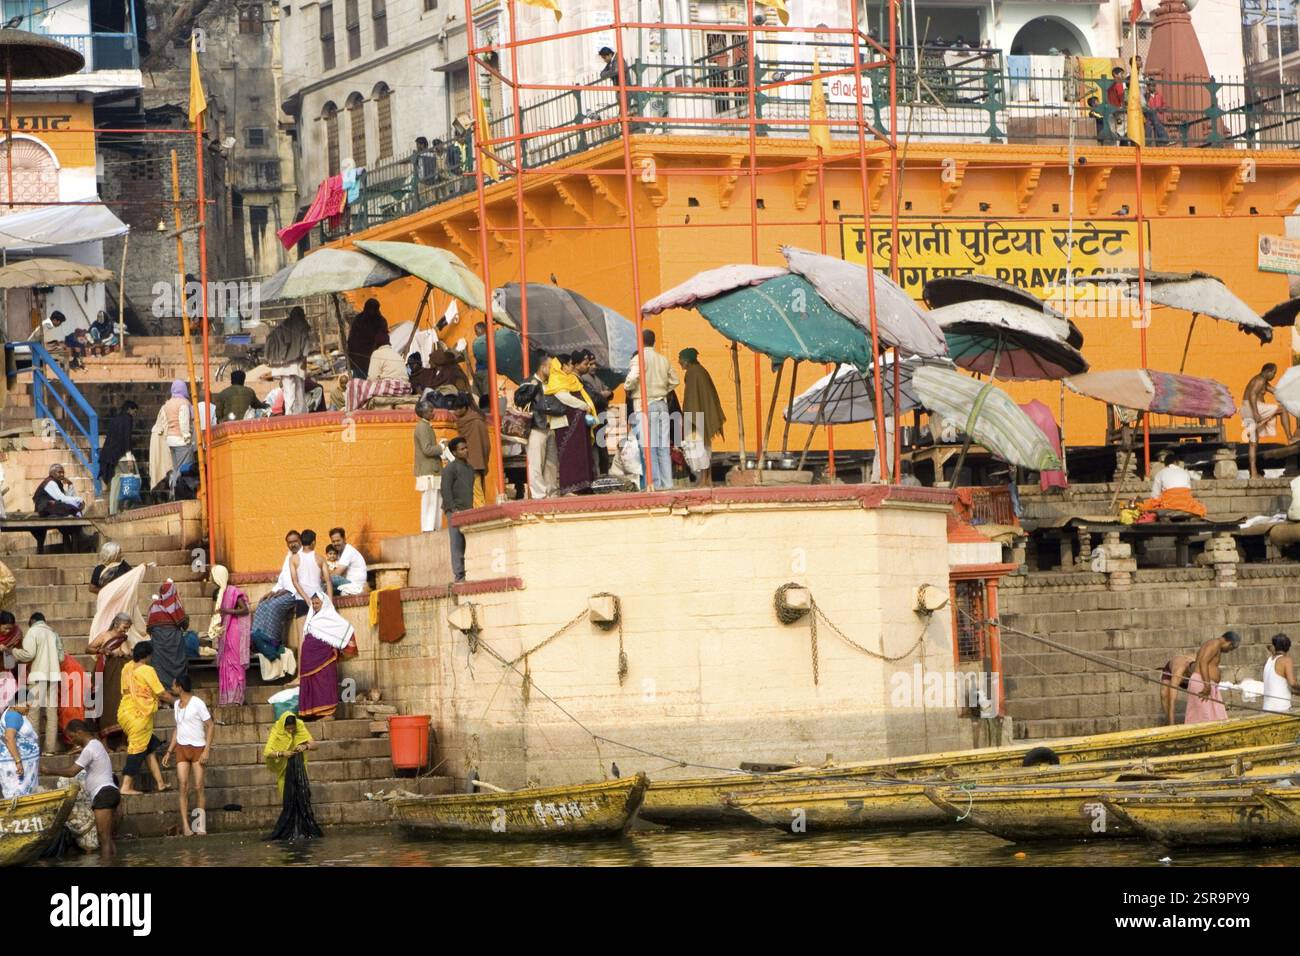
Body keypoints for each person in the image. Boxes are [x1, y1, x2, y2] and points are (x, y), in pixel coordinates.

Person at [43, 719, 120, 858]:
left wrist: (48, 770)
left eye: (72, 736)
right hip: (109, 792)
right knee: (107, 839)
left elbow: (72, 772)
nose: (72, 741)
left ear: (80, 732)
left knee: (104, 840)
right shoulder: (95, 744)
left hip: (104, 794)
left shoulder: (90, 748)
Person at [624, 330, 679, 491]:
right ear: (654, 342)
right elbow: (675, 380)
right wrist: (663, 389)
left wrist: (628, 387)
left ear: (640, 342)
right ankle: (667, 483)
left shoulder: (638, 359)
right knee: (662, 445)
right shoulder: (663, 359)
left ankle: (654, 484)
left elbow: (633, 378)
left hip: (644, 404)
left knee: (649, 446)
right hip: (662, 404)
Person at [117, 640, 173, 794]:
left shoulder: (126, 668)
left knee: (150, 746)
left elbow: (124, 690)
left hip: (124, 712)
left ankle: (160, 783)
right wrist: (177, 701)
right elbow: (161, 693)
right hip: (138, 716)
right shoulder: (147, 670)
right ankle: (126, 786)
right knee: (137, 750)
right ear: (147, 656)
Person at [161, 674, 213, 836]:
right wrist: (169, 751)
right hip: (181, 748)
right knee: (183, 785)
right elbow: (178, 728)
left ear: (180, 687)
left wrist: (207, 750)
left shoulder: (197, 703)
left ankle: (200, 825)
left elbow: (210, 726)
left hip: (198, 748)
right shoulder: (176, 704)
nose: (172, 687)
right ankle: (186, 826)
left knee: (198, 786)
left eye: (174, 685)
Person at [12, 611, 64, 754]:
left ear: (32, 621)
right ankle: (50, 749)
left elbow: (29, 654)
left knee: (33, 713)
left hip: (37, 676)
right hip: (53, 677)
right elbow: (61, 658)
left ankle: (33, 748)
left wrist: (14, 651)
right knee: (52, 713)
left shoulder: (33, 631)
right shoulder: (54, 633)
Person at [299, 592, 356, 720]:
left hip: (325, 656)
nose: (314, 606)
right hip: (309, 658)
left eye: (317, 603)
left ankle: (328, 713)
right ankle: (313, 712)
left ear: (324, 603)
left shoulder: (331, 617)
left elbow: (346, 629)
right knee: (311, 683)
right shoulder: (310, 617)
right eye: (313, 603)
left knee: (324, 682)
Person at [264, 712, 322, 840]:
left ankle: (301, 830)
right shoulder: (277, 729)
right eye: (288, 728)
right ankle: (290, 830)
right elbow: (267, 752)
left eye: (292, 728)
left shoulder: (300, 726)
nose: (290, 731)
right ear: (283, 726)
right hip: (283, 770)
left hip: (299, 771)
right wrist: (282, 753)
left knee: (302, 798)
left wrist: (305, 746)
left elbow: (316, 745)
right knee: (288, 800)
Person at [546, 353, 598, 493]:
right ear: (562, 366)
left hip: (577, 424)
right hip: (565, 425)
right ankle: (570, 488)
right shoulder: (556, 379)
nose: (571, 367)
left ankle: (584, 485)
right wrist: (583, 406)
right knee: (569, 455)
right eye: (569, 364)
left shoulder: (570, 379)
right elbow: (564, 397)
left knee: (580, 453)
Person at [678, 348, 726, 487]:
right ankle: (707, 479)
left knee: (700, 448)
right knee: (705, 448)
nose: (679, 362)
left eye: (680, 358)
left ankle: (705, 480)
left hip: (697, 415)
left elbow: (693, 399)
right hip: (701, 412)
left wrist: (689, 418)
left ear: (686, 360)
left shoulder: (693, 373)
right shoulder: (699, 371)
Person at [517, 356, 559, 499]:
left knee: (551, 463)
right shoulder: (529, 382)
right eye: (550, 367)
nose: (553, 371)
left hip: (551, 427)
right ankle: (539, 494)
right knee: (536, 463)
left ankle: (551, 492)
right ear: (543, 367)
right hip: (536, 427)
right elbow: (519, 400)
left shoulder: (552, 383)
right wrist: (533, 387)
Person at [89, 612, 133, 744]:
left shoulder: (125, 639)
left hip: (122, 674)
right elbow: (89, 648)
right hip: (107, 672)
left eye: (127, 628)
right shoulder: (105, 635)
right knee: (107, 704)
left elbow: (128, 654)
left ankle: (122, 742)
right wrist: (103, 651)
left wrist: (127, 654)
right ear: (116, 623)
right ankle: (105, 742)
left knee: (122, 704)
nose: (126, 630)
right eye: (124, 627)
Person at [1242, 363, 1292, 478]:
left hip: (1247, 409)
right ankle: (1289, 437)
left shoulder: (1263, 381)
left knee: (1253, 443)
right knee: (1283, 409)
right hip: (1252, 408)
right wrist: (1255, 412)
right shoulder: (1259, 380)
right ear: (1268, 371)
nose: (1274, 375)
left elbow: (1275, 390)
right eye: (1274, 373)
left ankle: (1253, 473)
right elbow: (1252, 394)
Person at [210, 565, 251, 707]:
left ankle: (237, 697)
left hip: (234, 630)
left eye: (213, 576)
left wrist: (227, 610)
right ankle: (228, 697)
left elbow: (245, 610)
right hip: (224, 631)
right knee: (225, 663)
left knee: (235, 663)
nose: (211, 579)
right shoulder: (220, 593)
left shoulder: (233, 591)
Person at [1185, 630, 1240, 724]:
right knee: (1204, 717)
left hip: (1205, 682)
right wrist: (1207, 685)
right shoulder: (1215, 643)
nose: (1228, 651)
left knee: (1214, 716)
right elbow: (1203, 663)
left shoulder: (1215, 645)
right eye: (1230, 649)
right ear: (1229, 643)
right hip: (1202, 682)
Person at [150, 380, 194, 497]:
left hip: (170, 440)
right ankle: (179, 493)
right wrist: (187, 437)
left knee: (175, 468)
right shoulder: (184, 403)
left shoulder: (167, 404)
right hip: (181, 441)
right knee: (183, 469)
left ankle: (173, 492)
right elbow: (184, 421)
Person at [265, 307, 312, 416]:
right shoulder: (302, 326)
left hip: (283, 363)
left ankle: (289, 413)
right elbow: (305, 346)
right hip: (297, 362)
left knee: (288, 389)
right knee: (299, 388)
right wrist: (305, 360)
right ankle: (301, 413)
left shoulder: (283, 326)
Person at [441, 437, 476, 582]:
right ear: (454, 452)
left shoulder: (470, 469)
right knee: (456, 543)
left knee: (468, 542)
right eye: (462, 449)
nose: (466, 451)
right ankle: (459, 575)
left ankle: (469, 571)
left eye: (466, 448)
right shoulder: (450, 468)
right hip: (454, 511)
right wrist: (453, 509)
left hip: (467, 510)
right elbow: (445, 489)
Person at [146, 579, 191, 691]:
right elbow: (184, 624)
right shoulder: (175, 604)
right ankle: (178, 690)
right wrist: (182, 604)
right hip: (174, 641)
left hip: (159, 642)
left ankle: (163, 692)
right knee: (178, 664)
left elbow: (149, 627)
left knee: (160, 667)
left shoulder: (154, 605)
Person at [0, 678, 39, 798]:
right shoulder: (13, 715)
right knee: (17, 796)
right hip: (15, 765)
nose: (29, 708)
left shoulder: (14, 713)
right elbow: (9, 738)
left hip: (20, 764)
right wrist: (18, 762)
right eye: (27, 705)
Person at [1139, 451, 1206, 518]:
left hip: (1169, 505)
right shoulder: (1185, 472)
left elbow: (1154, 496)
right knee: (1199, 506)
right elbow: (1188, 491)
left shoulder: (1160, 473)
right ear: (1177, 463)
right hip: (1186, 505)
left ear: (1165, 464)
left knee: (1148, 504)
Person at [453, 392, 492, 506]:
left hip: (472, 464)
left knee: (476, 495)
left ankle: (480, 520)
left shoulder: (475, 421)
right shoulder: (477, 420)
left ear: (465, 407)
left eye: (458, 409)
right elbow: (486, 445)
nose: (455, 412)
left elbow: (484, 444)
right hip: (476, 462)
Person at [414, 399, 446, 532]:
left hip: (433, 469)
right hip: (428, 470)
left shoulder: (426, 425)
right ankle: (428, 527)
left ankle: (434, 527)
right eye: (430, 410)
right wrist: (441, 447)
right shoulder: (422, 426)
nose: (433, 412)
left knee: (436, 500)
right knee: (430, 500)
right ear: (423, 412)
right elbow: (427, 449)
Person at [346, 298, 391, 379]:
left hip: (376, 357)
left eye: (374, 309)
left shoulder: (381, 321)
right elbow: (352, 340)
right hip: (359, 358)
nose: (372, 311)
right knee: (360, 383)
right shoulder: (359, 320)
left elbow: (384, 339)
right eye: (370, 308)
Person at [98, 400, 137, 489]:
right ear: (129, 409)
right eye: (134, 411)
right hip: (118, 455)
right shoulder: (128, 419)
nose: (134, 414)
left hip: (108, 456)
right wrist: (129, 458)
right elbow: (126, 438)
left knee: (115, 482)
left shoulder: (115, 419)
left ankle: (113, 503)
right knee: (129, 481)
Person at [290, 529, 332, 606]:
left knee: (303, 618)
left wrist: (307, 599)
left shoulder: (293, 559)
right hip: (318, 597)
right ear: (313, 542)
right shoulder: (320, 558)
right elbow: (328, 581)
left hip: (301, 599)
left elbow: (295, 582)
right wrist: (330, 602)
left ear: (301, 542)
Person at [1262, 633, 1298, 714]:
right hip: (1281, 708)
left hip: (1266, 707)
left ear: (1275, 646)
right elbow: (1292, 683)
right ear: (1288, 647)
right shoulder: (1286, 660)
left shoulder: (1268, 660)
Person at [1159, 651, 1197, 725]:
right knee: (1164, 694)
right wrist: (1172, 726)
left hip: (1194, 672)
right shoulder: (1178, 671)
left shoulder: (1201, 665)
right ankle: (1169, 721)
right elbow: (1172, 700)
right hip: (1171, 670)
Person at [328, 528, 368, 596]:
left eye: (338, 541)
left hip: (354, 585)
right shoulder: (340, 552)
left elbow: (337, 573)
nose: (335, 543)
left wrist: (323, 578)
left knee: (331, 578)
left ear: (344, 539)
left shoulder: (348, 551)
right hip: (347, 583)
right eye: (333, 541)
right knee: (327, 586)